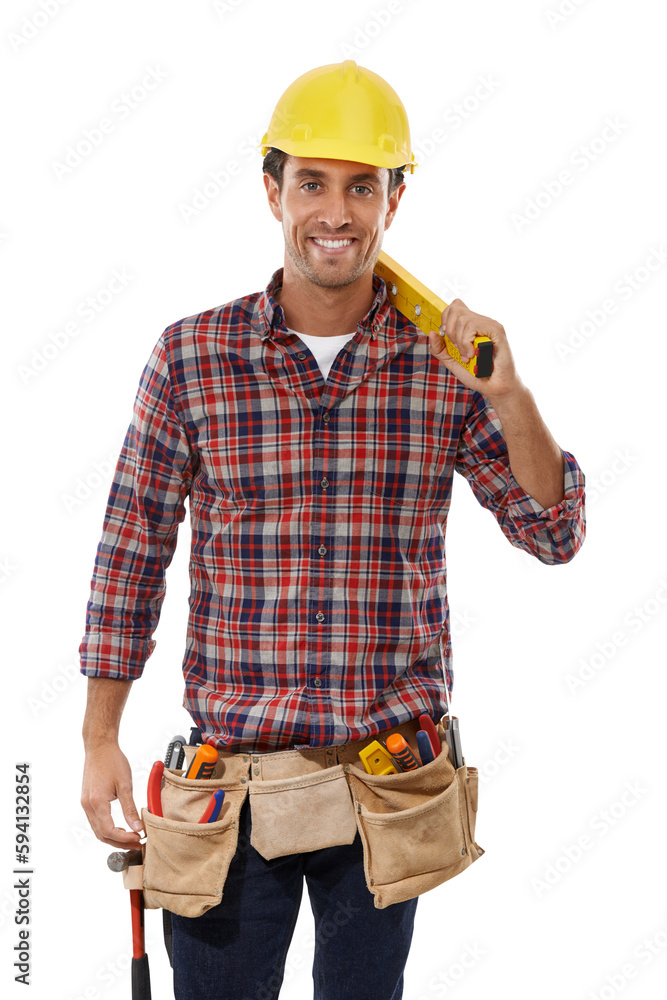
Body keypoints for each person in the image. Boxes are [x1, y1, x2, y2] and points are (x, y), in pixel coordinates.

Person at [79, 60, 585, 1000]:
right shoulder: (194, 358)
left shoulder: (445, 369)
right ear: (272, 189)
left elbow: (552, 533)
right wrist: (97, 738)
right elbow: (130, 550)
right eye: (312, 182)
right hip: (229, 789)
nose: (336, 213)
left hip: (382, 790)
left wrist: (509, 395)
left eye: (363, 186)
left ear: (396, 201)